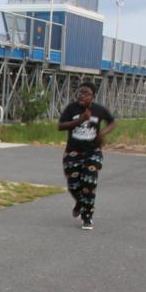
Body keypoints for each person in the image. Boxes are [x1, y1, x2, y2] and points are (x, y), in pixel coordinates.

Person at [58, 81, 116, 230]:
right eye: (80, 92)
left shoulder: (99, 110)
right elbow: (60, 126)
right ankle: (79, 202)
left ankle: (87, 217)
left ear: (93, 96)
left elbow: (112, 122)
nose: (81, 95)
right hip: (73, 152)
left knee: (89, 183)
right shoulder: (72, 108)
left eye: (86, 93)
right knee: (73, 185)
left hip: (93, 152)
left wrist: (103, 133)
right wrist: (79, 120)